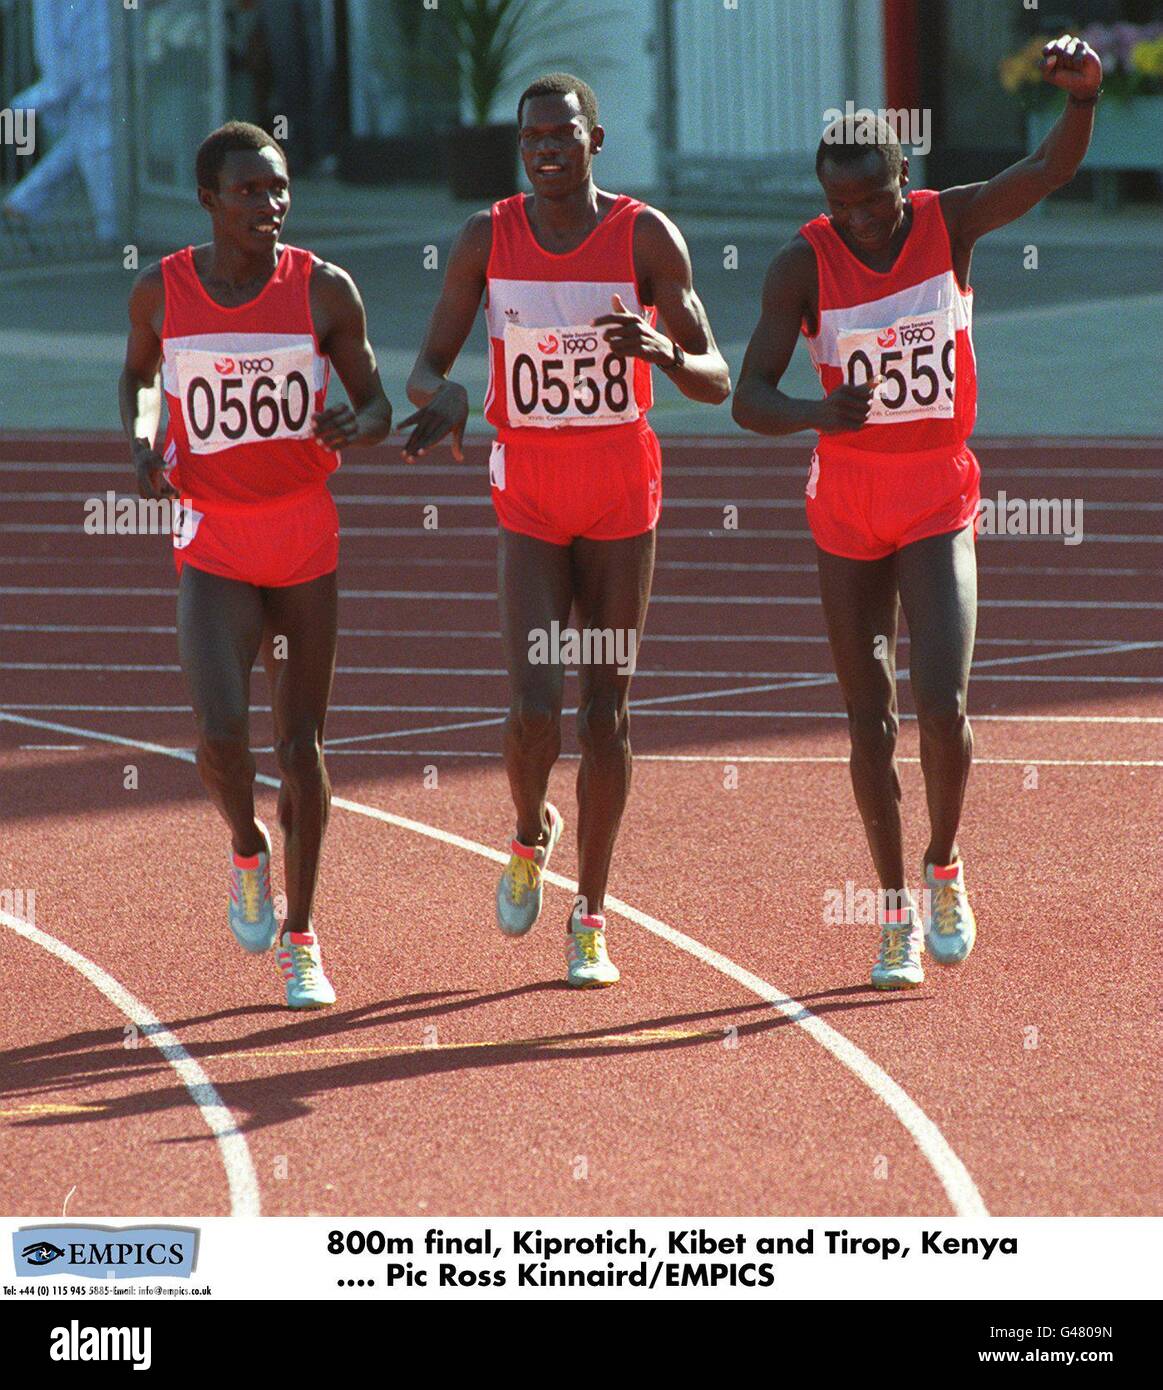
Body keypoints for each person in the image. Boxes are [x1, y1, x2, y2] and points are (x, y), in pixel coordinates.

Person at [732, 36, 1101, 989]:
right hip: (848, 504)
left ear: (907, 179)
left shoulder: (953, 224)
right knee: (868, 725)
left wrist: (1083, 100)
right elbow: (748, 397)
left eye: (873, 199)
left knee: (943, 708)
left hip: (935, 492)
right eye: (837, 204)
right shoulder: (800, 265)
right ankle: (890, 909)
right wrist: (818, 412)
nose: (856, 221)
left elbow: (1047, 168)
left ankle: (944, 864)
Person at [401, 73, 730, 987]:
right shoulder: (486, 236)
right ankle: (527, 827)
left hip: (620, 492)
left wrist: (665, 351)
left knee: (607, 711)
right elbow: (423, 369)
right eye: (530, 137)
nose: (545, 149)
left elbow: (719, 379)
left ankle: (591, 913)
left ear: (596, 139)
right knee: (530, 713)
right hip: (533, 494)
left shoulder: (644, 235)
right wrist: (453, 394)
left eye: (562, 134)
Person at [119, 121, 392, 1008]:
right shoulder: (161, 292)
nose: (269, 205)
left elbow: (376, 402)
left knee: (301, 746)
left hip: (303, 536)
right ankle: (247, 848)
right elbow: (138, 379)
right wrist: (142, 439)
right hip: (215, 541)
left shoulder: (324, 290)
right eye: (249, 192)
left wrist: (360, 423)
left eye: (278, 189)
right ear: (208, 201)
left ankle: (304, 937)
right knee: (220, 736)